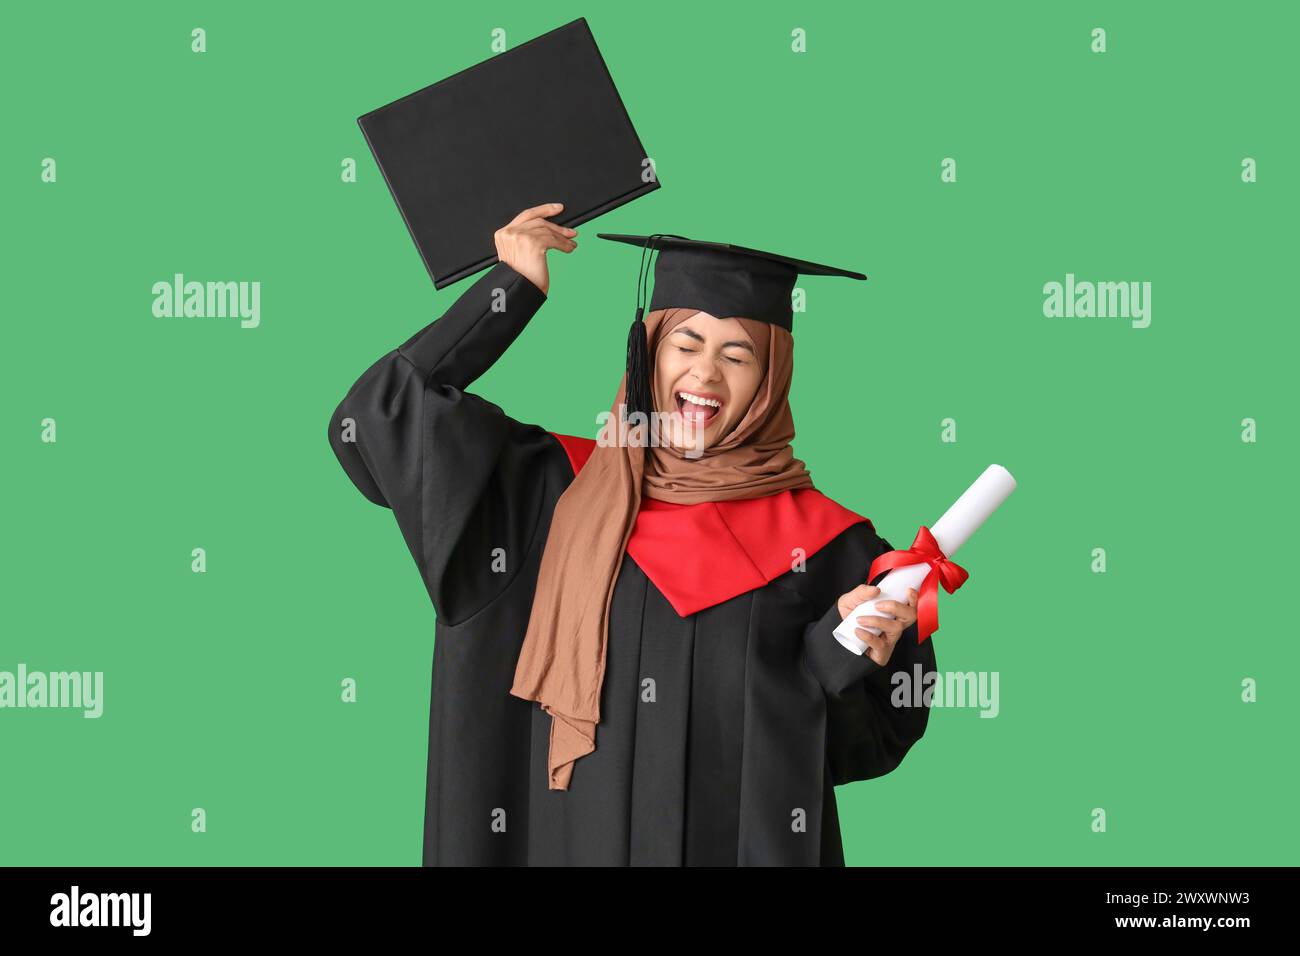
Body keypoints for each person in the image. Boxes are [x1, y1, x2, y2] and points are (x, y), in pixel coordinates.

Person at [327, 203, 937, 866]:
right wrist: (509, 290)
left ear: (771, 380)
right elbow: (376, 419)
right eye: (685, 344)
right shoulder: (544, 493)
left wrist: (838, 662)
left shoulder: (833, 547)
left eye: (738, 355)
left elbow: (861, 751)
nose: (705, 374)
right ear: (648, 355)